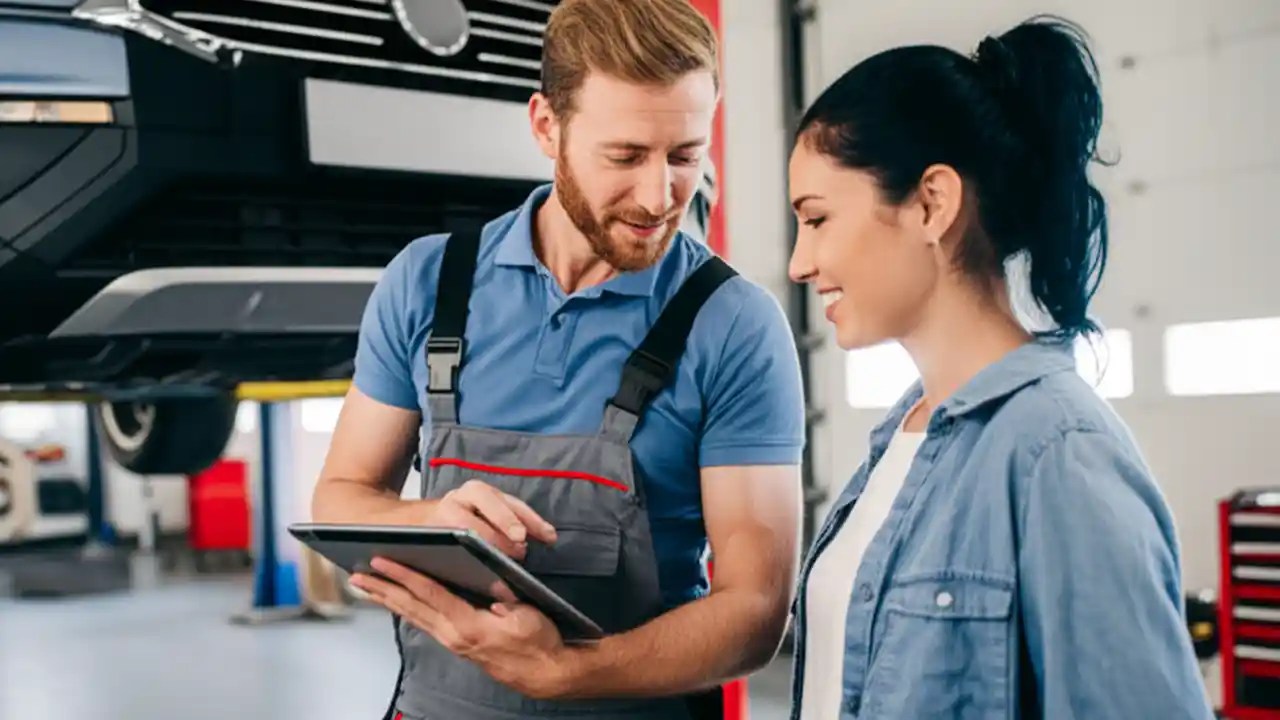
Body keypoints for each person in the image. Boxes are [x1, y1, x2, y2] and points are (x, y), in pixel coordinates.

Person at [310, 1, 806, 718]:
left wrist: (567, 671)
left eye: (685, 155)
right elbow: (341, 495)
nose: (659, 195)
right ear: (547, 125)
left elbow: (757, 611)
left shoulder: (734, 327)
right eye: (626, 155)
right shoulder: (427, 284)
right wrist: (437, 523)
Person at [785, 15, 1215, 720]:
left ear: (932, 203)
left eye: (818, 218)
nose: (800, 263)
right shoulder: (900, 440)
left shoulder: (1059, 453)